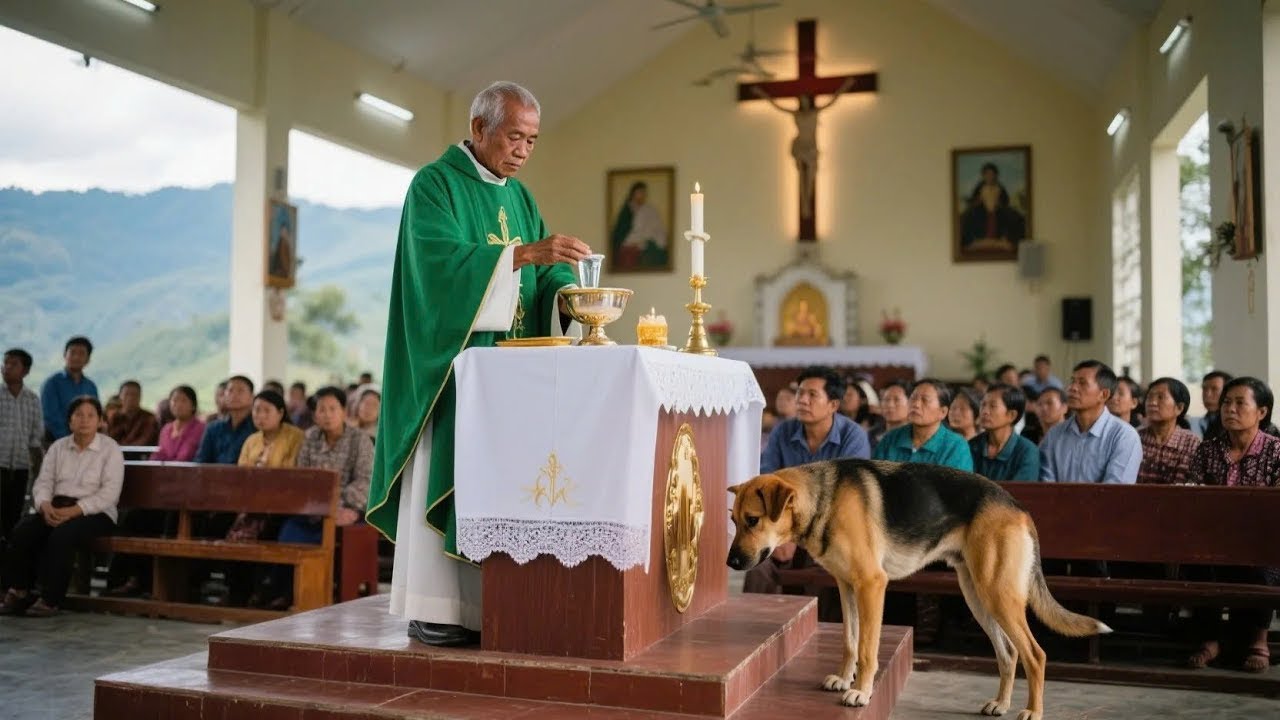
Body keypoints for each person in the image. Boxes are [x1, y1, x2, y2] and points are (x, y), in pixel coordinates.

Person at [365, 81, 590, 648]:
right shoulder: (433, 186)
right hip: (455, 374)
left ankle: (497, 603)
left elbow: (545, 277)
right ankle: (436, 606)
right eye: (514, 136)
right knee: (453, 476)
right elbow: (436, 273)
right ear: (479, 128)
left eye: (532, 141)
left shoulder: (522, 200)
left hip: (513, 379)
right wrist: (519, 255)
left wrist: (569, 296)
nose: (522, 150)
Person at [747, 366, 870, 619]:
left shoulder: (853, 436)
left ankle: (814, 635)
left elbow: (843, 498)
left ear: (833, 404)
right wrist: (781, 533)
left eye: (812, 395)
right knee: (757, 562)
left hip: (832, 528)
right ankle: (757, 630)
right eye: (800, 393)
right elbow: (768, 485)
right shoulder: (783, 432)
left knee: (823, 568)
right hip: (785, 525)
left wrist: (798, 533)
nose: (802, 400)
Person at [1184, 377, 1280, 673]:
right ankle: (1211, 639)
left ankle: (1259, 639)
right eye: (1227, 402)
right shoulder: (1207, 450)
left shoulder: (1276, 451)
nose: (1231, 409)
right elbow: (1194, 496)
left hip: (1261, 539)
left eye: (1240, 403)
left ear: (1261, 412)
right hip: (1214, 538)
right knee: (1195, 561)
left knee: (1265, 561)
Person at [0, 397, 121, 617]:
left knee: (62, 536)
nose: (84, 420)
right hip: (56, 507)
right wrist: (44, 505)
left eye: (90, 415)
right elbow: (44, 482)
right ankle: (20, 591)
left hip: (95, 513)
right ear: (69, 421)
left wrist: (74, 511)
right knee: (22, 531)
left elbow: (109, 494)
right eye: (78, 415)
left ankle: (50, 599)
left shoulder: (110, 449)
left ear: (100, 421)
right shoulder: (58, 447)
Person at [260, 386, 374, 609]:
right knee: (288, 533)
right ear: (314, 414)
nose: (327, 415)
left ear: (343, 411)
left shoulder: (360, 440)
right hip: (314, 509)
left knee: (331, 533)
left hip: (351, 509)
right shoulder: (310, 437)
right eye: (321, 410)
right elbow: (302, 478)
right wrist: (323, 506)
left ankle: (327, 595)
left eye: (333, 409)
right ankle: (288, 594)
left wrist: (341, 507)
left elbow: (365, 481)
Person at [750, 77, 857, 221]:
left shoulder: (815, 112)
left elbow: (833, 101)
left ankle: (807, 203)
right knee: (801, 176)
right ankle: (805, 205)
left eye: (805, 99)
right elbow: (776, 106)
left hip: (811, 148)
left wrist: (846, 86)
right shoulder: (797, 114)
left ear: (809, 101)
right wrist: (761, 93)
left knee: (811, 175)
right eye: (801, 100)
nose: (803, 101)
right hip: (800, 145)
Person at [1040, 360, 1142, 484]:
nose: (1072, 388)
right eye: (1073, 381)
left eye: (1082, 383)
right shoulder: (1054, 434)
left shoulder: (1124, 436)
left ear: (1103, 394)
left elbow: (1115, 492)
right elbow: (1046, 485)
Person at [873, 379, 973, 471]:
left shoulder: (955, 446)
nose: (916, 404)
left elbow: (957, 488)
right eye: (913, 398)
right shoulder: (890, 439)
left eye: (925, 400)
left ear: (943, 412)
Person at [1, 349, 44, 545]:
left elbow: (36, 437)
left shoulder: (33, 399)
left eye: (13, 364)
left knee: (14, 517)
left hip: (20, 468)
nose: (6, 368)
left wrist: (38, 469)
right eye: (5, 363)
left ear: (25, 371)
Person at [1136, 378, 1200, 485]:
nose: (1152, 403)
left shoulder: (1191, 442)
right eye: (1149, 397)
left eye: (1160, 397)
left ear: (1179, 408)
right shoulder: (1135, 437)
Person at [971, 383, 1040, 481]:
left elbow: (1022, 492)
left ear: (1011, 415)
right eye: (983, 404)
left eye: (993, 406)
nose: (985, 411)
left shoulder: (1027, 451)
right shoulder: (972, 446)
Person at [40, 336, 98, 441]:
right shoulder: (52, 383)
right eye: (72, 353)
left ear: (88, 359)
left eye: (81, 354)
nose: (76, 357)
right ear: (65, 355)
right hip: (56, 442)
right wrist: (70, 441)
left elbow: (94, 414)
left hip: (85, 442)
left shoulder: (91, 386)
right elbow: (50, 417)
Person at [960, 162, 1026, 250]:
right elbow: (965, 244)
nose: (991, 195)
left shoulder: (1011, 216)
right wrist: (994, 243)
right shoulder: (970, 216)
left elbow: (1016, 243)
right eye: (987, 191)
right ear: (980, 196)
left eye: (994, 191)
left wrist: (994, 243)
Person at [194, 375, 256, 464]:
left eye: (240, 391)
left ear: (252, 397)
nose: (234, 395)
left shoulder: (257, 428)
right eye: (230, 391)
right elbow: (201, 461)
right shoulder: (213, 428)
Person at [237, 390, 304, 469]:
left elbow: (294, 469)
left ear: (280, 413)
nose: (261, 416)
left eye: (267, 411)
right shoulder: (251, 441)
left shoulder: (296, 436)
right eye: (257, 410)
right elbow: (242, 470)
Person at [610, 181, 668, 270]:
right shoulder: (627, 211)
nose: (641, 196)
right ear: (633, 194)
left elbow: (656, 228)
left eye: (643, 193)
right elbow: (621, 232)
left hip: (648, 240)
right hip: (629, 242)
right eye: (639, 193)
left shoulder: (650, 210)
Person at [151, 385, 206, 462]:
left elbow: (186, 456)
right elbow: (160, 454)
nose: (178, 405)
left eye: (183, 400)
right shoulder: (166, 429)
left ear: (193, 405)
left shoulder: (201, 428)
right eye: (174, 400)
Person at [107, 380, 160, 447]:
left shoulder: (149, 418)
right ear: (120, 396)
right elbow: (107, 440)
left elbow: (144, 441)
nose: (130, 398)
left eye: (134, 395)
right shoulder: (112, 418)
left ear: (140, 396)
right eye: (127, 394)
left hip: (139, 455)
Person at [1190, 370, 1232, 439]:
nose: (1207, 394)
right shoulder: (1196, 423)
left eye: (1214, 389)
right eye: (1204, 389)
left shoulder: (1233, 425)